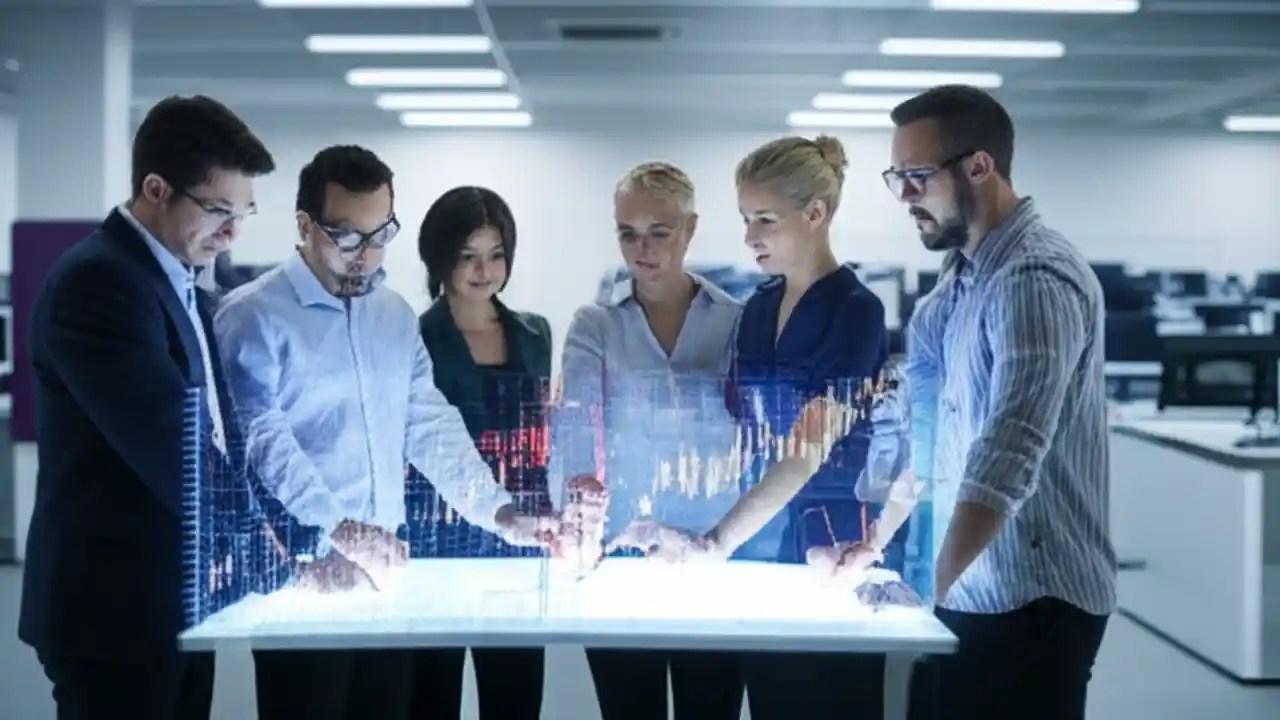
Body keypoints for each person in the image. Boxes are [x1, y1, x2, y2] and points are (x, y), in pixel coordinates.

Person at [213, 145, 561, 720]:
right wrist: (338, 528)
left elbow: (428, 424)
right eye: (348, 237)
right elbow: (261, 438)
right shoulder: (255, 314)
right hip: (305, 576)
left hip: (386, 580)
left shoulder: (393, 316)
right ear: (304, 225)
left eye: (381, 236)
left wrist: (498, 512)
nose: (367, 255)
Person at [611, 135, 912, 719]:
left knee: (828, 703)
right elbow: (737, 433)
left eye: (765, 220)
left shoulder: (856, 311)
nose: (749, 237)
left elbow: (807, 449)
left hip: (831, 544)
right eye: (746, 219)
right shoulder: (756, 309)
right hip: (759, 545)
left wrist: (715, 540)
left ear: (816, 214)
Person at [19, 94, 276, 719]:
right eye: (218, 210)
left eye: (245, 213)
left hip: (174, 598)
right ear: (156, 188)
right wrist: (274, 542)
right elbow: (173, 444)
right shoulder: (99, 283)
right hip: (113, 609)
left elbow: (217, 426)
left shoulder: (179, 280)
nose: (233, 233)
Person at [885, 85, 1116, 720]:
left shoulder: (1036, 279)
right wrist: (879, 547)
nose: (905, 196)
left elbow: (1008, 452)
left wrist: (928, 585)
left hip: (1031, 601)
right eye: (897, 177)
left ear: (979, 167)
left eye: (916, 176)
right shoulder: (952, 290)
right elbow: (926, 443)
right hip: (964, 582)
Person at [555, 161, 746, 720]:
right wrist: (576, 524)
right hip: (622, 557)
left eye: (659, 232)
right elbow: (573, 430)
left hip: (712, 556)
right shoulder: (596, 324)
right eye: (628, 233)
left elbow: (758, 437)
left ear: (689, 229)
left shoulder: (735, 321)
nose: (642, 248)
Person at [408, 186, 552, 720]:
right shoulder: (413, 337)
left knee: (514, 696)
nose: (482, 270)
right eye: (467, 255)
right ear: (439, 257)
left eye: (495, 255)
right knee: (430, 695)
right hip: (434, 537)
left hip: (518, 540)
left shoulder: (535, 333)